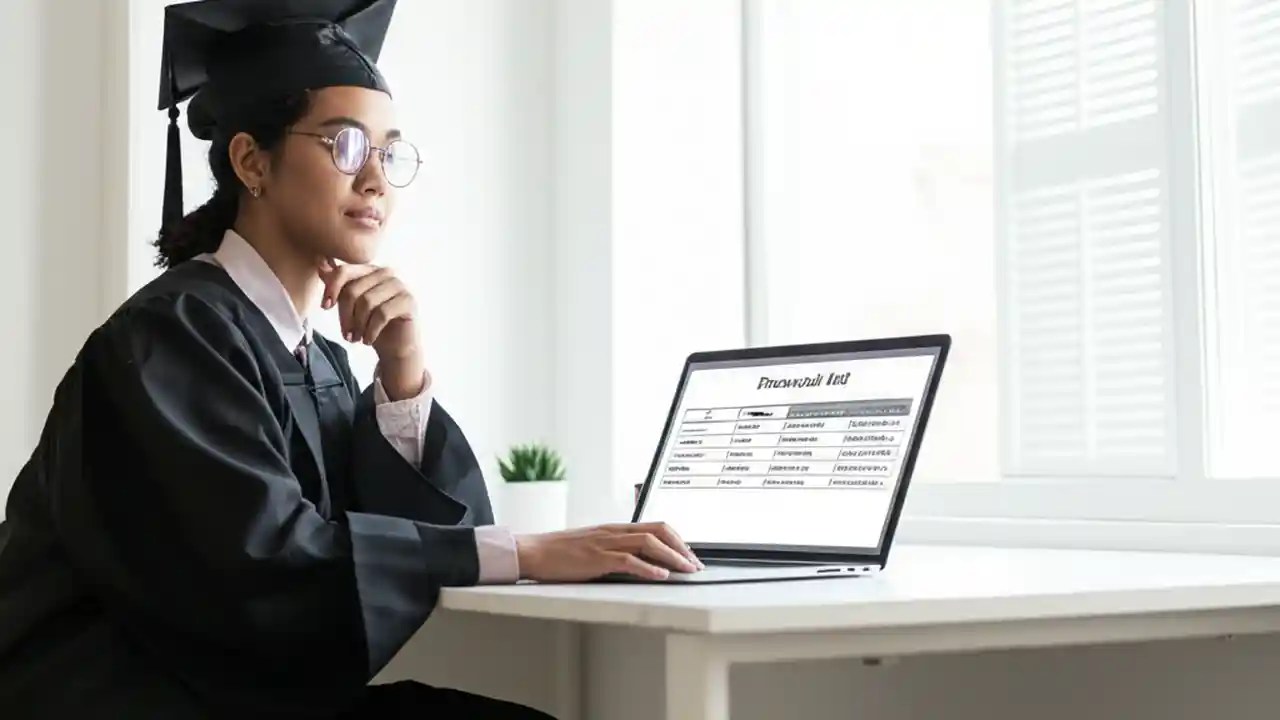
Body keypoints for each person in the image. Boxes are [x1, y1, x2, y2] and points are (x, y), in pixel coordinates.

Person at [0, 1, 702, 717]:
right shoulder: (171, 339)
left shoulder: (318, 357)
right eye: (344, 145)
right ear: (252, 161)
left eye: (389, 154)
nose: (374, 180)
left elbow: (413, 547)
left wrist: (401, 378)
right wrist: (527, 552)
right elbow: (269, 570)